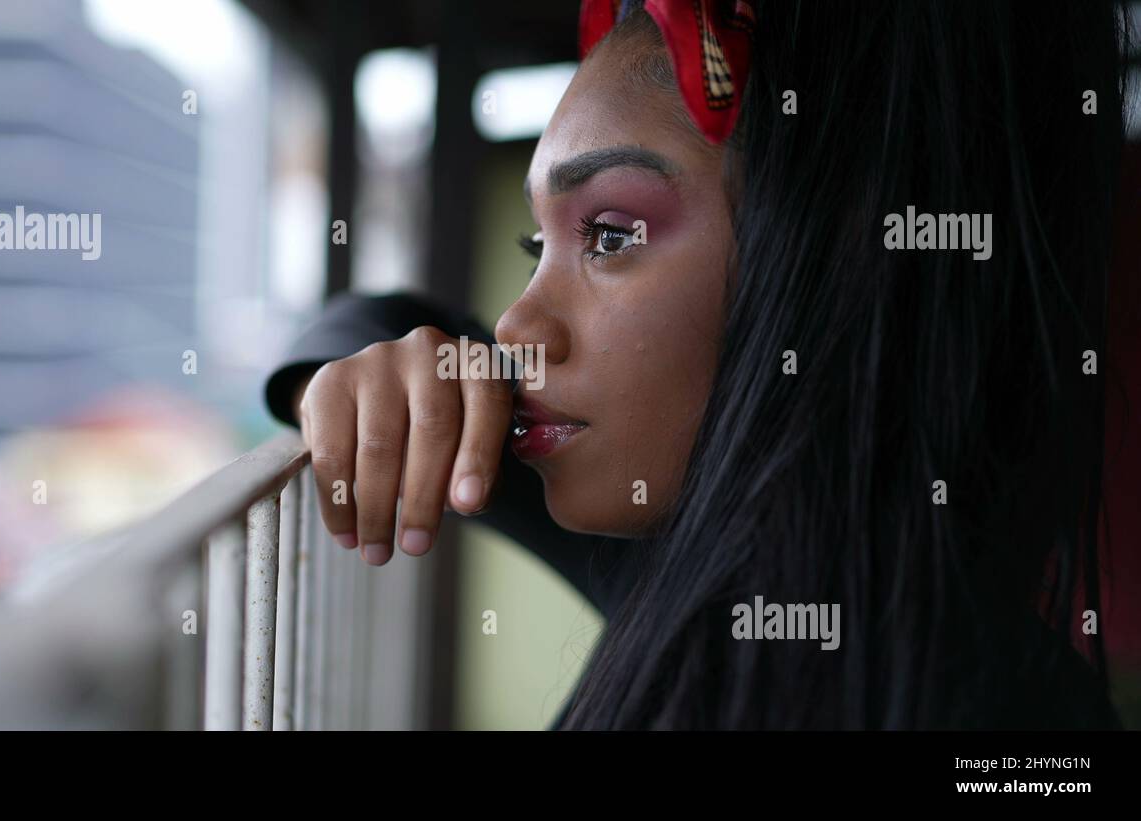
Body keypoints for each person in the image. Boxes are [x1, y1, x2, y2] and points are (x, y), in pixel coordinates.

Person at [264, 0, 1131, 729]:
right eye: (539, 243)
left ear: (823, 261)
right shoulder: (680, 554)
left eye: (608, 235)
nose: (518, 321)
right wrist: (351, 381)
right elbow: (386, 322)